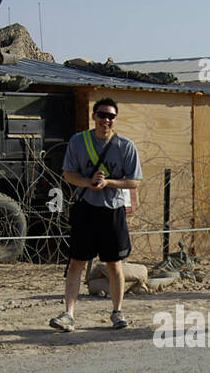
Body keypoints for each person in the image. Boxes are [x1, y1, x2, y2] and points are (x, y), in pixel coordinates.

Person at [49, 98, 143, 331]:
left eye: (111, 116)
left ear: (115, 120)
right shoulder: (79, 142)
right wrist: (89, 184)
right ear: (94, 116)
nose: (106, 120)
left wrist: (108, 182)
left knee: (114, 264)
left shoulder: (125, 146)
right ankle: (68, 314)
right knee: (76, 263)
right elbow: (68, 174)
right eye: (102, 115)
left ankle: (117, 311)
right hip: (86, 208)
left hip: (112, 210)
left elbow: (135, 181)